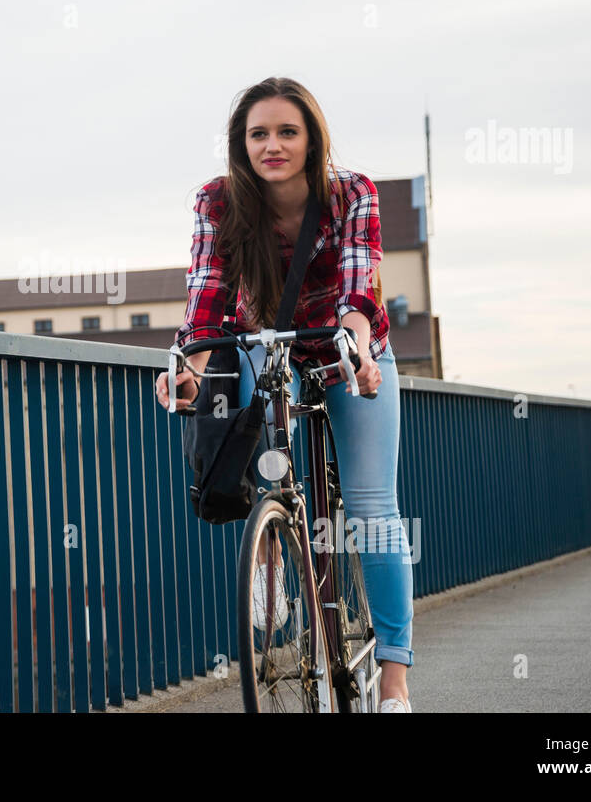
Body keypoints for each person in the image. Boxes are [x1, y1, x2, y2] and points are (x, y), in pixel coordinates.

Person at [154, 76, 414, 712]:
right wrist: (188, 367)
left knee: (374, 511)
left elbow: (360, 290)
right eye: (258, 134)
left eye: (287, 132)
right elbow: (208, 300)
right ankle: (272, 541)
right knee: (261, 436)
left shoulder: (351, 193)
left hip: (346, 349)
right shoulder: (218, 203)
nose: (273, 145)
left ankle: (396, 685)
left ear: (311, 138)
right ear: (241, 145)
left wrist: (356, 347)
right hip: (266, 346)